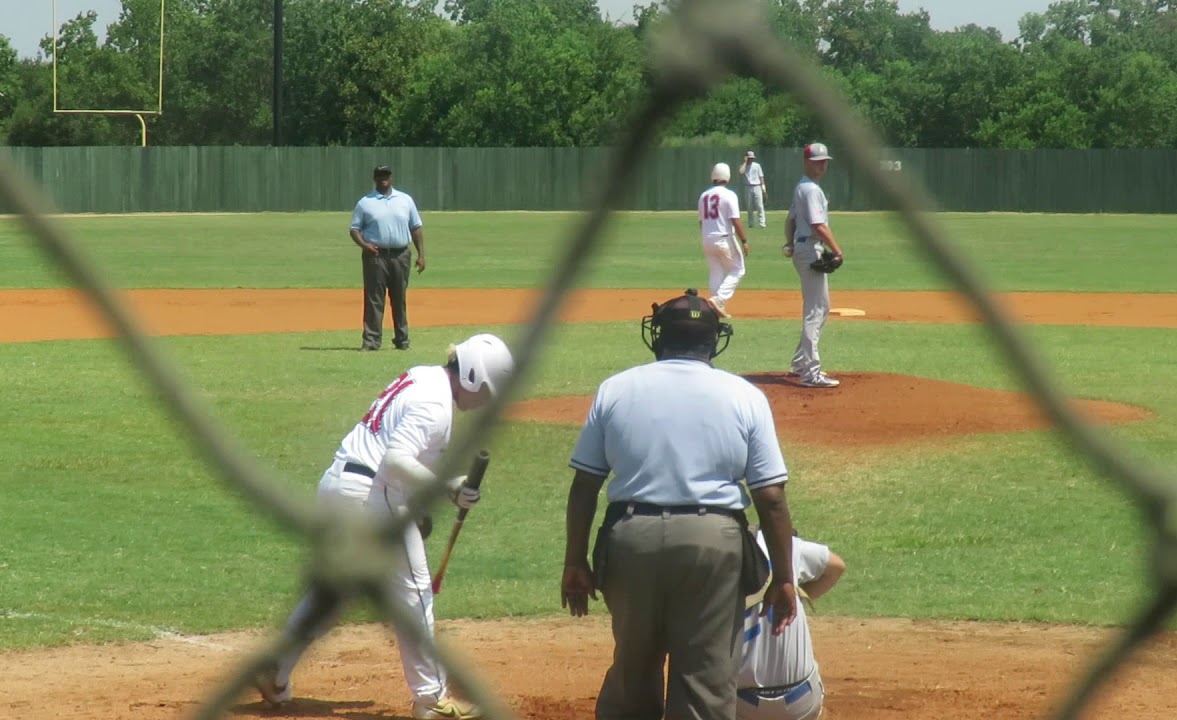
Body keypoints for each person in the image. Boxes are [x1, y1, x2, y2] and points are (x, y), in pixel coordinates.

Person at [561, 288, 800, 720]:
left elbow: (584, 486)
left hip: (631, 540)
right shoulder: (744, 395)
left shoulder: (616, 389)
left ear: (658, 337)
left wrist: (574, 560)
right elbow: (770, 496)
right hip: (713, 544)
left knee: (632, 671)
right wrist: (784, 576)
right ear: (714, 339)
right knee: (706, 681)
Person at [254, 333, 515, 720]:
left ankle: (275, 669)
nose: (487, 403)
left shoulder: (422, 376)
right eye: (489, 393)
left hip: (339, 485)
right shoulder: (436, 405)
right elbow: (394, 460)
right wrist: (446, 486)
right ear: (474, 377)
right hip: (370, 495)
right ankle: (431, 700)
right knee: (416, 593)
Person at [737, 531, 846, 720]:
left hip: (742, 705)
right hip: (800, 701)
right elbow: (837, 566)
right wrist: (794, 600)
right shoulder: (787, 546)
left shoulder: (716, 551)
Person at [783, 143, 845, 389]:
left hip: (804, 247)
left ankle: (801, 361)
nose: (822, 164)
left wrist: (789, 243)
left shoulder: (803, 187)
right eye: (817, 160)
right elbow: (819, 226)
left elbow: (791, 220)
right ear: (807, 162)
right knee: (815, 310)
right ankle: (810, 372)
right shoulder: (810, 190)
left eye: (825, 160)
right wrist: (838, 250)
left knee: (823, 306)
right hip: (810, 248)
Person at [350, 164, 426, 352]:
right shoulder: (365, 202)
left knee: (399, 298)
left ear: (391, 177)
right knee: (374, 299)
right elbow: (354, 229)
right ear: (374, 178)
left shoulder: (405, 200)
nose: (383, 178)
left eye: (386, 175)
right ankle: (371, 341)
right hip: (375, 255)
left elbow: (415, 228)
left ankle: (402, 340)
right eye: (380, 175)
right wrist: (364, 245)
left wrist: (421, 255)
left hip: (401, 254)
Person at [699, 162, 750, 319]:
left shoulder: (703, 196)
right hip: (724, 238)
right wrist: (744, 240)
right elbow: (735, 219)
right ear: (727, 177)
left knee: (716, 271)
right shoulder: (729, 195)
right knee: (738, 269)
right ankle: (719, 299)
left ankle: (713, 309)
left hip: (707, 238)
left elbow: (701, 221)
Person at [738, 150, 768, 229]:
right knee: (749, 206)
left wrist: (763, 188)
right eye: (749, 158)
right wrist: (745, 162)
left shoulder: (757, 165)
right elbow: (741, 172)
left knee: (759, 206)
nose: (751, 159)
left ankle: (762, 224)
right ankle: (751, 223)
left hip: (757, 186)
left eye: (752, 158)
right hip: (747, 187)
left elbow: (761, 177)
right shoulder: (743, 166)